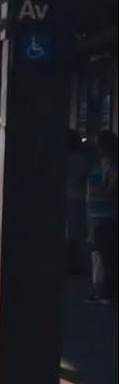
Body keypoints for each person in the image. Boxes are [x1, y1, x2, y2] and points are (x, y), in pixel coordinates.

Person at [84, 130, 117, 305]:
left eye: (97, 143)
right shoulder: (103, 163)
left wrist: (107, 192)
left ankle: (105, 291)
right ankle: (103, 289)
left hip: (105, 216)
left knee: (104, 255)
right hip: (100, 215)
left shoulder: (108, 163)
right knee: (103, 254)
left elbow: (112, 182)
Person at [65, 130, 90, 275]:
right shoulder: (82, 159)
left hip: (63, 199)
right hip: (78, 198)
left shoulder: (60, 159)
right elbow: (85, 178)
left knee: (67, 233)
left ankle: (67, 263)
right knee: (75, 234)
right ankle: (74, 264)